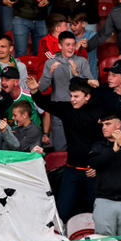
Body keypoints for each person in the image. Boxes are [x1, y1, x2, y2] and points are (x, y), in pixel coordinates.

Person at [31, 78, 103, 221]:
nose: (72, 100)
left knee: (95, 213)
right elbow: (45, 104)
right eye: (71, 96)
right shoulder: (67, 109)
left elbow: (105, 142)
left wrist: (98, 165)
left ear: (87, 97)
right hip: (71, 169)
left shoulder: (99, 111)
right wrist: (34, 91)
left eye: (76, 96)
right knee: (62, 211)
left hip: (92, 171)